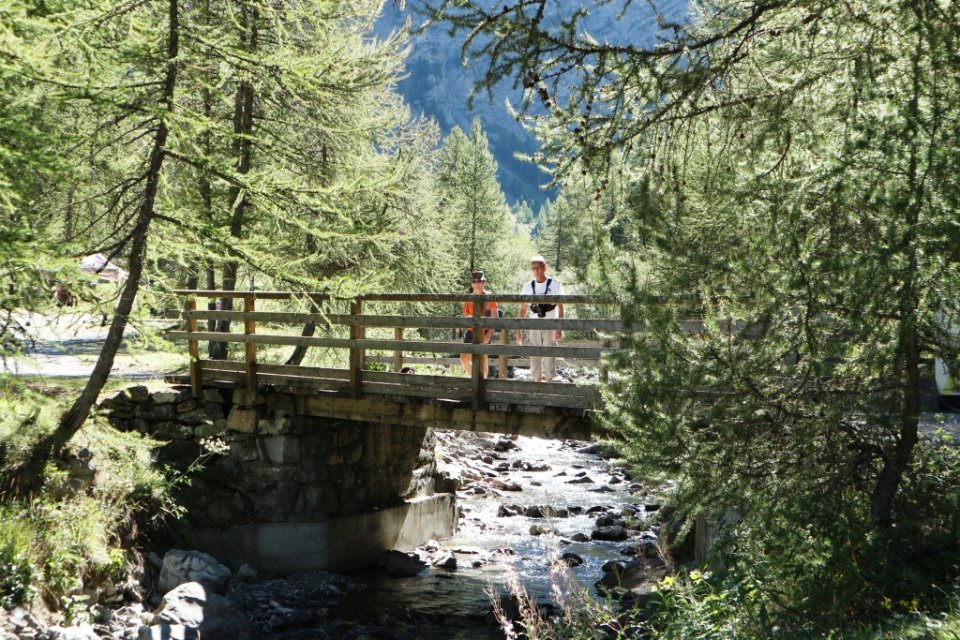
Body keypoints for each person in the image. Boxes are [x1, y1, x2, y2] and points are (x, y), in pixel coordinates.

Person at [516, 256, 564, 383]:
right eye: (534, 268)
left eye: (539, 268)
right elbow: (523, 309)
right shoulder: (527, 287)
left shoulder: (555, 284)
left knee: (549, 352)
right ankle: (537, 381)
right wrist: (519, 329)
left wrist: (559, 327)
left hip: (550, 323)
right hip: (534, 323)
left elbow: (560, 306)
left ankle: (549, 382)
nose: (536, 271)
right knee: (535, 353)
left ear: (545, 268)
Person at [461, 271, 498, 378]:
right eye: (475, 281)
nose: (477, 283)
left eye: (480, 281)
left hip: (484, 331)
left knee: (482, 358)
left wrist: (488, 335)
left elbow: (496, 318)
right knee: (464, 359)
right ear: (471, 283)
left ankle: (482, 384)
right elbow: (464, 316)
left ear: (484, 282)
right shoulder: (468, 299)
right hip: (471, 331)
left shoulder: (490, 297)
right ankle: (477, 380)